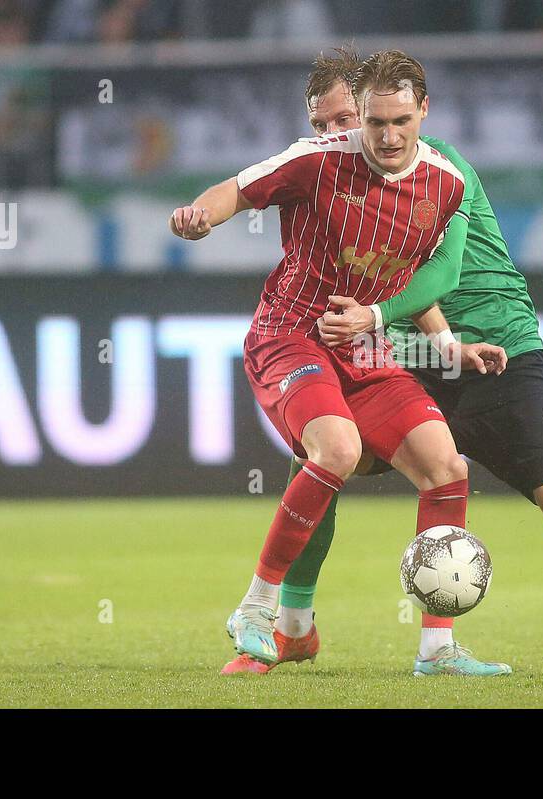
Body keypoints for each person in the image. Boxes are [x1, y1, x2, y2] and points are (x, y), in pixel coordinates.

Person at [225, 47, 543, 677]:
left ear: (403, 112)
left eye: (346, 119)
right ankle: (293, 629)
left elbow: (437, 275)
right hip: (410, 353)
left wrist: (397, 327)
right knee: (324, 456)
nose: (336, 136)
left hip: (498, 349)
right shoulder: (335, 177)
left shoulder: (435, 171)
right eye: (326, 126)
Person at [171, 49, 511, 676]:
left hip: (365, 349)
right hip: (292, 336)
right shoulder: (315, 162)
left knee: (446, 464)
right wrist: (200, 217)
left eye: (395, 121)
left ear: (420, 113)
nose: (383, 135)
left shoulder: (445, 183)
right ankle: (258, 609)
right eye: (367, 123)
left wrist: (447, 347)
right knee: (336, 449)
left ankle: (436, 648)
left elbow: (409, 278)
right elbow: (236, 191)